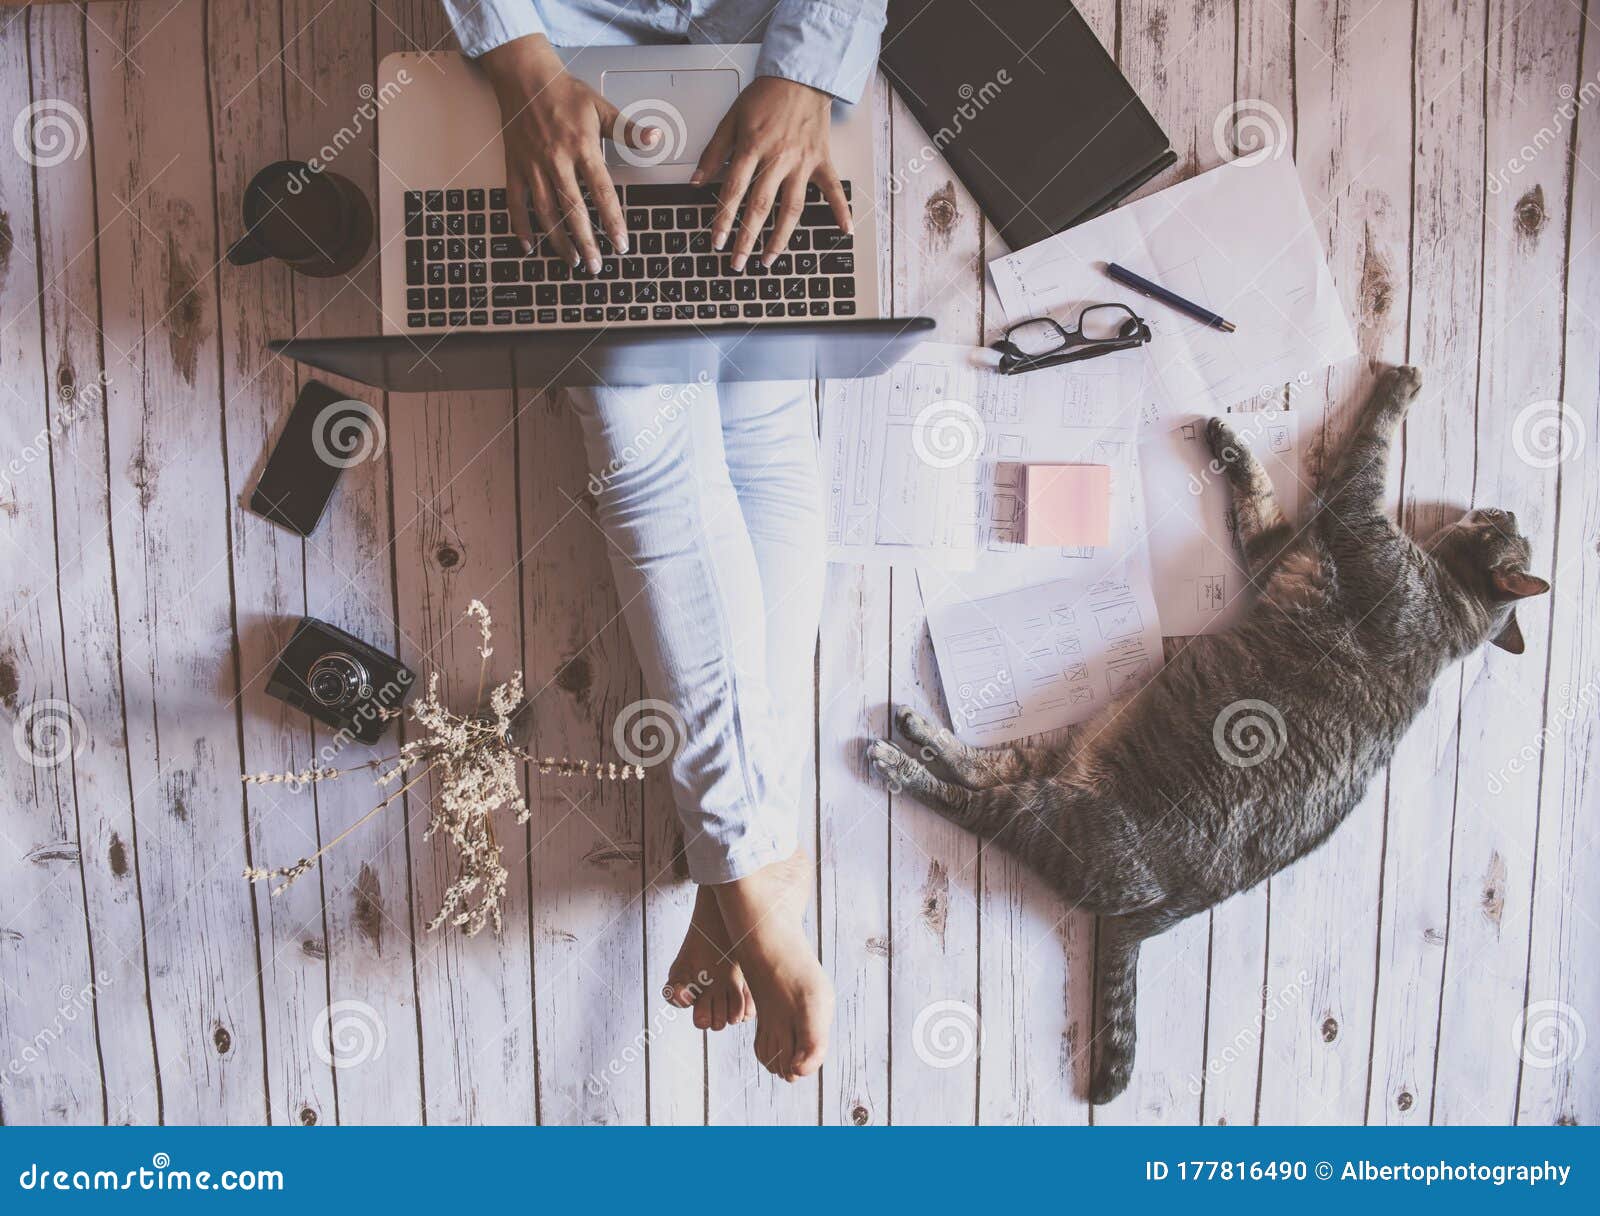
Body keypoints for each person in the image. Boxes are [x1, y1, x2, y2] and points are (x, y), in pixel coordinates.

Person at [442, 0, 889, 1082]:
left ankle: (737, 879)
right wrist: (521, 68)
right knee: (656, 417)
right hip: (571, 61)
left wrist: (806, 74)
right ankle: (745, 877)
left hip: (769, 53)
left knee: (759, 415)